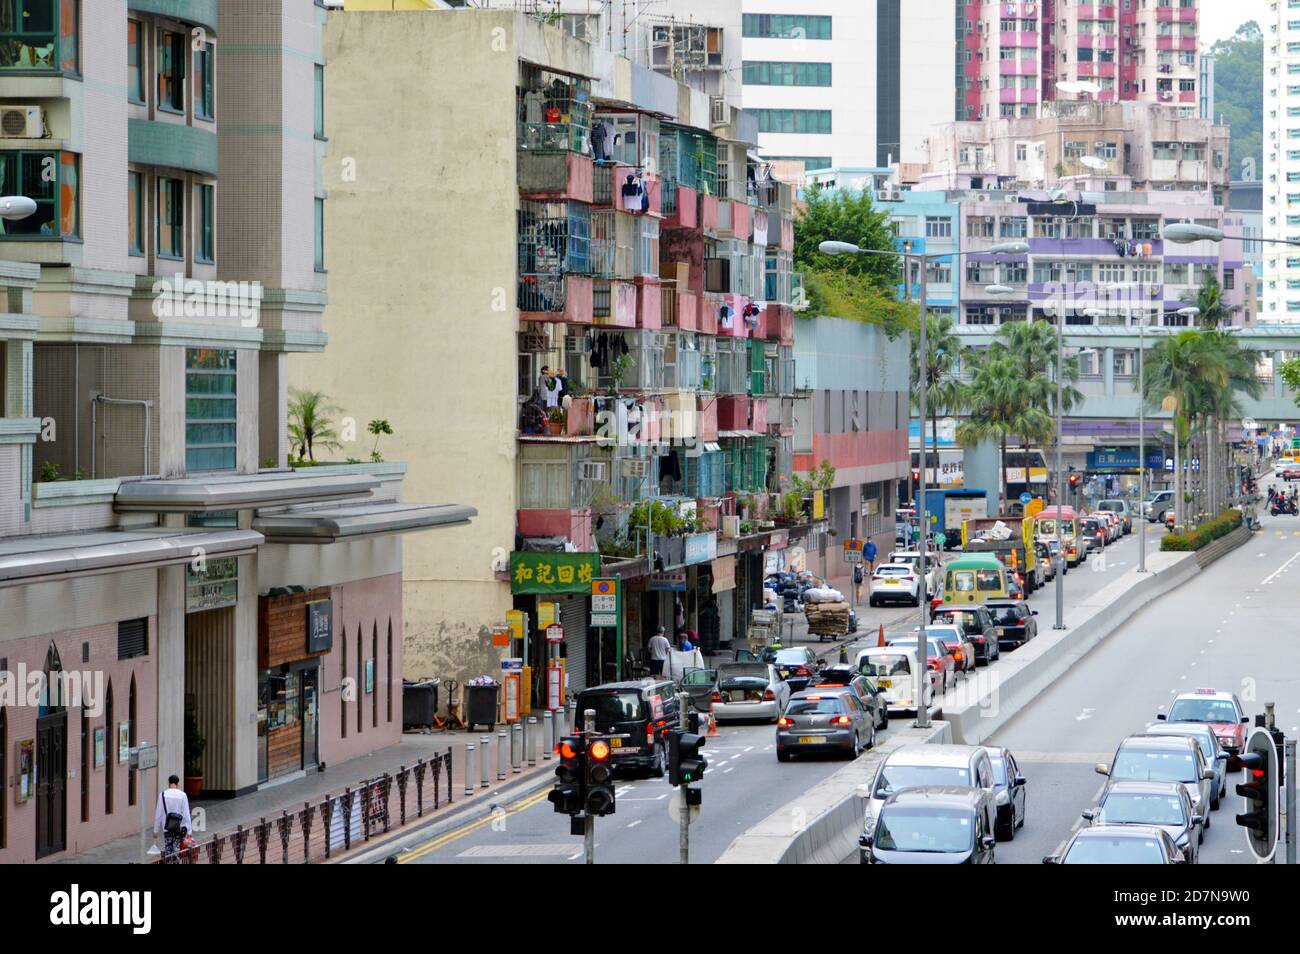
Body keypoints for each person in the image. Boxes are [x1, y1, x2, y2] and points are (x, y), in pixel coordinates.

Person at [153, 774, 193, 863]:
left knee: (168, 847)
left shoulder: (162, 795)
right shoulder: (182, 795)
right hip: (178, 828)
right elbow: (186, 814)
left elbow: (158, 814)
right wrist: (189, 831)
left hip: (166, 827)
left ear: (169, 782)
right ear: (177, 783)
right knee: (177, 849)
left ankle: (168, 861)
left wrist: (156, 830)